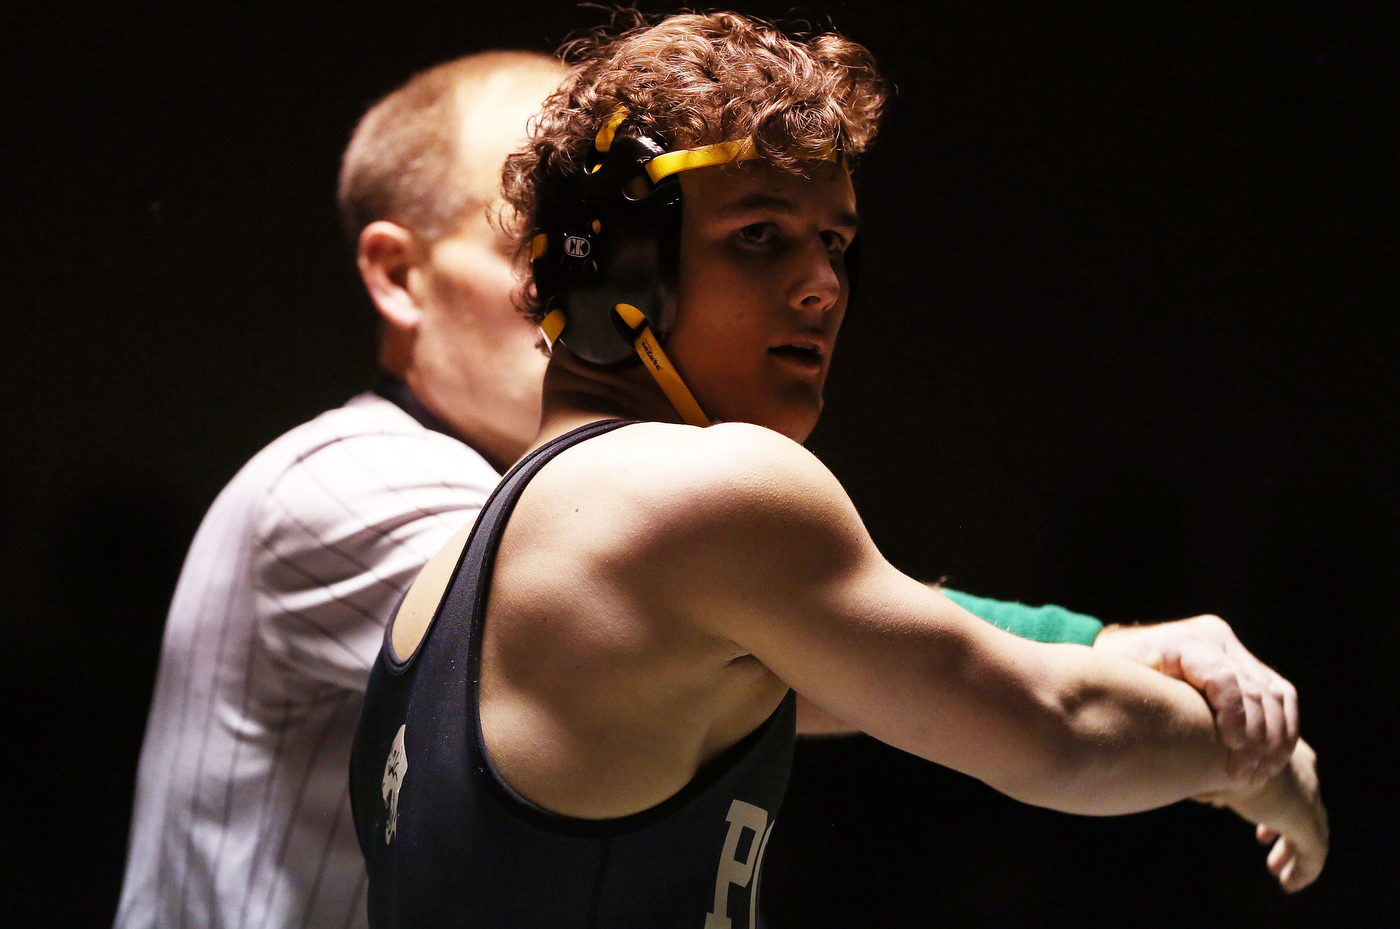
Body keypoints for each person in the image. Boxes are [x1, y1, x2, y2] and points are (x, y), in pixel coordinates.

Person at [348, 13, 1328, 928]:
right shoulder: (701, 493)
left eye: (834, 243)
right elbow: (1055, 728)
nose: (820, 284)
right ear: (613, 271)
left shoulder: (465, 568)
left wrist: (1113, 639)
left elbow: (893, 644)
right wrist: (1257, 761)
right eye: (759, 236)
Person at [113, 51, 567, 929]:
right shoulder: (353, 471)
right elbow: (692, 650)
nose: (592, 291)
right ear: (400, 275)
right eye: (539, 245)